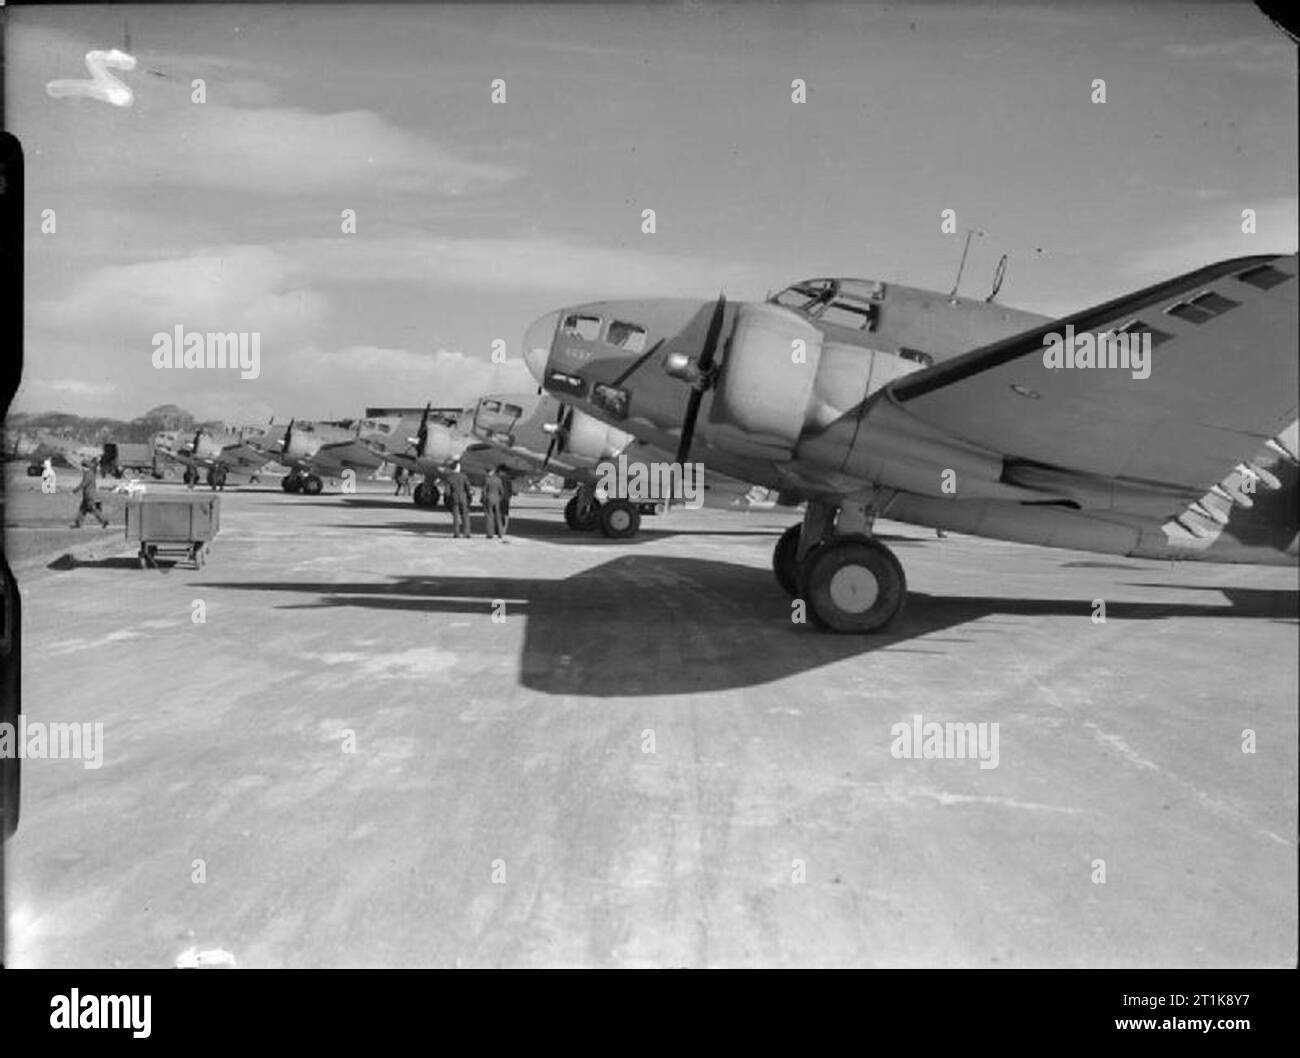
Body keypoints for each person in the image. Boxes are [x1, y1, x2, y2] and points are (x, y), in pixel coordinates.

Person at [70, 459, 109, 528]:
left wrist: (75, 491)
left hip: (89, 496)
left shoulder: (88, 474)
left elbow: (84, 484)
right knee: (82, 510)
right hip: (87, 496)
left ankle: (104, 521)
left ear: (85, 467)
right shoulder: (89, 473)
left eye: (82, 467)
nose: (81, 468)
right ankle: (78, 523)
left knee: (93, 509)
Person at [443, 461, 472, 538]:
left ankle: (457, 534)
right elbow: (468, 488)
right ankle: (467, 533)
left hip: (454, 498)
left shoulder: (449, 478)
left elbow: (447, 492)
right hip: (463, 497)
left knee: (456, 516)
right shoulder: (464, 476)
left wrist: (448, 499)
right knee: (465, 516)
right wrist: (469, 496)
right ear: (459, 468)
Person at [483, 466, 507, 541]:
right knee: (498, 516)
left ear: (489, 472)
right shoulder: (498, 480)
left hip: (489, 499)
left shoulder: (487, 480)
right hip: (497, 499)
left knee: (490, 517)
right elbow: (502, 492)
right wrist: (499, 499)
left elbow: (484, 491)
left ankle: (490, 534)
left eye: (487, 472)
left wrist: (484, 500)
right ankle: (500, 533)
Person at [496, 464, 514, 534]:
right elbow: (510, 490)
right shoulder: (508, 479)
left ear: (501, 471)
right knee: (506, 514)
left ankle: (498, 529)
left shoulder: (498, 478)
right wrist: (508, 497)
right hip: (506, 499)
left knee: (498, 514)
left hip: (499, 498)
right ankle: (504, 530)